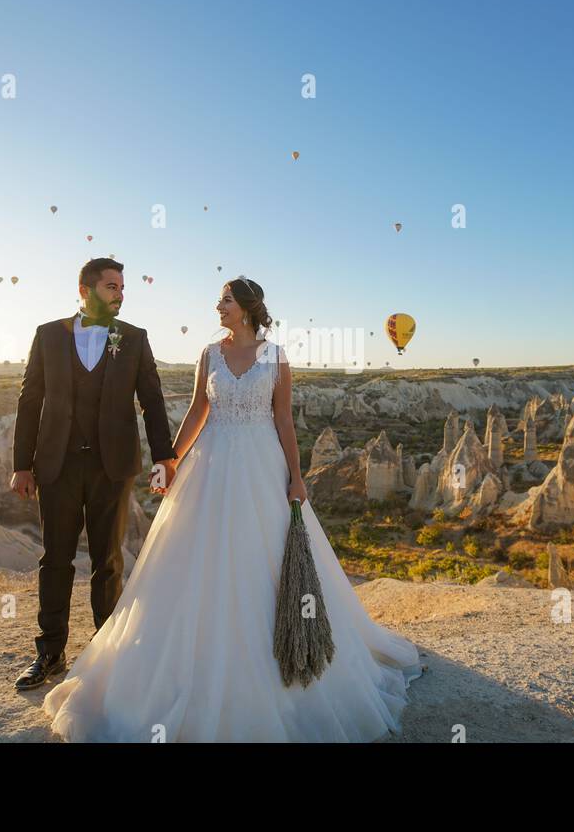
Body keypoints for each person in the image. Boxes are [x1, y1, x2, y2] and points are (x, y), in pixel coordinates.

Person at [39, 275, 425, 741]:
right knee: (192, 560)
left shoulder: (275, 356)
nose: (218, 306)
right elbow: (199, 410)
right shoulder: (209, 353)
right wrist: (172, 461)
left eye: (225, 300)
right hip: (211, 465)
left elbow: (283, 419)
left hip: (262, 467)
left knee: (262, 562)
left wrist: (298, 477)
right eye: (219, 299)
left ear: (246, 307)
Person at [10, 257, 178, 691]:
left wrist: (165, 457)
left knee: (108, 561)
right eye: (111, 286)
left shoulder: (135, 338)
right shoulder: (48, 335)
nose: (120, 294)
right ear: (84, 290)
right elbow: (30, 401)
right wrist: (21, 464)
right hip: (56, 465)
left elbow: (152, 402)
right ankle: (49, 654)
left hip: (113, 466)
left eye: (122, 287)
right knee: (56, 559)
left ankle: (108, 654)